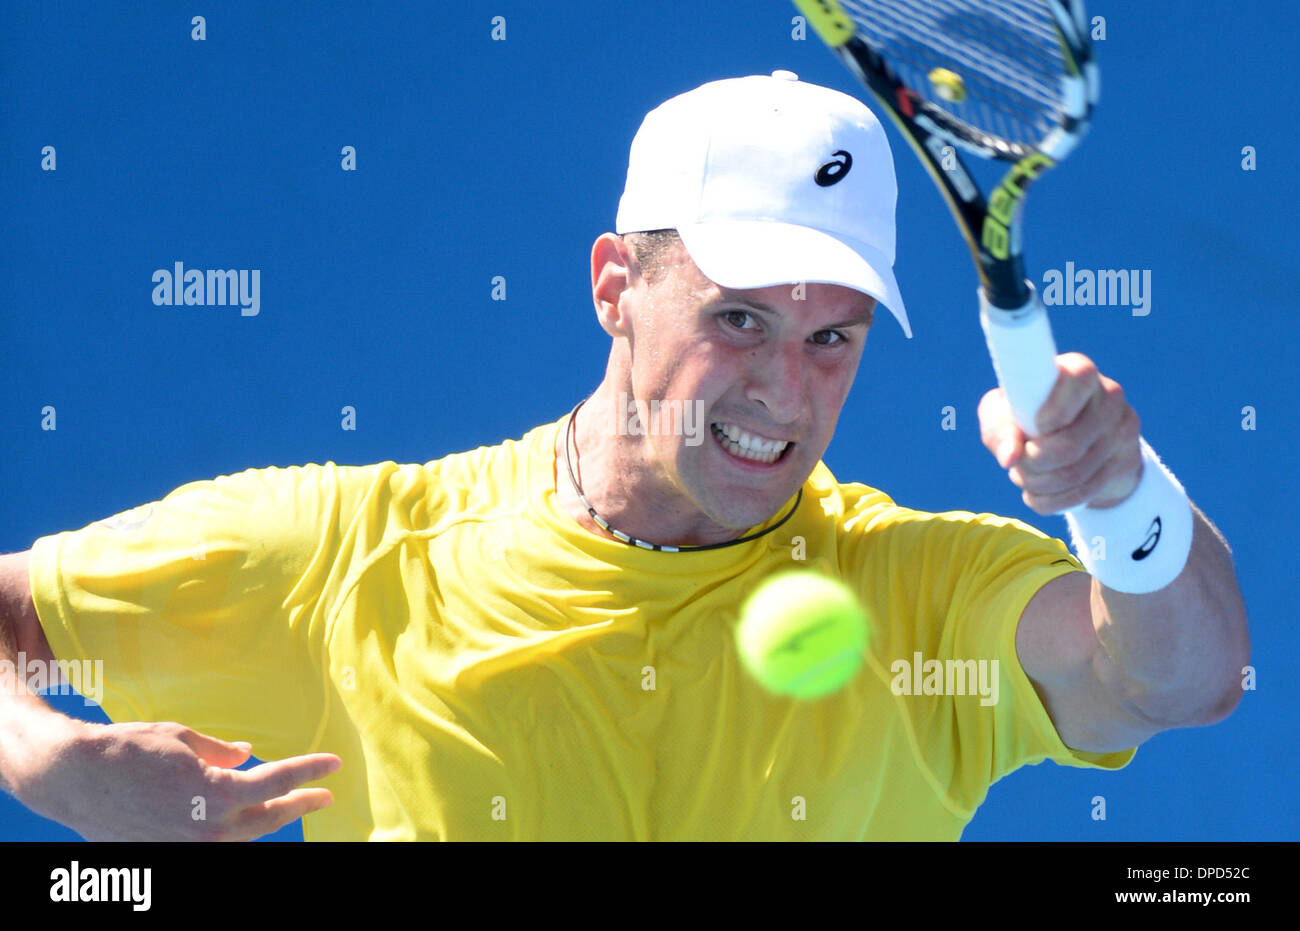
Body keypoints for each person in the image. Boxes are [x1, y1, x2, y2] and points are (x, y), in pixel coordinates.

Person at [0, 72, 1249, 841]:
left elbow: (1180, 679)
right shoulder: (350, 554)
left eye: (831, 337)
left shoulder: (915, 594)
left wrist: (1120, 497)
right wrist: (49, 763)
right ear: (615, 283)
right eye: (737, 317)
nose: (783, 386)